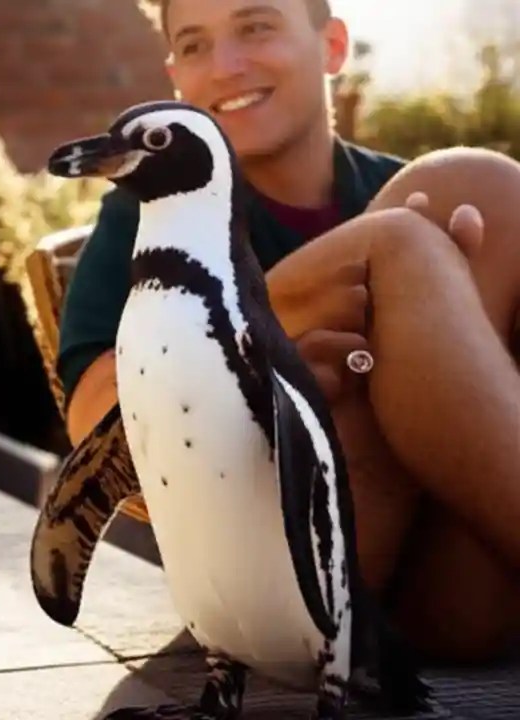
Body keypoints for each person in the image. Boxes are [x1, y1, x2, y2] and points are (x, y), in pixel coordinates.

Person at [58, 0, 520, 664]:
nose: (225, 65)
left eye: (255, 27)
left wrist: (437, 324)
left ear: (332, 46)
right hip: (291, 574)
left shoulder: (398, 184)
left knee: (478, 193)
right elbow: (100, 423)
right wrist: (267, 330)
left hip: (452, 577)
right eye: (194, 45)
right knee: (428, 217)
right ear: (175, 79)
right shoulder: (150, 218)